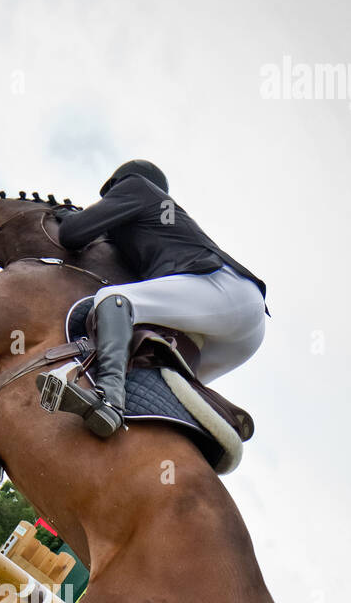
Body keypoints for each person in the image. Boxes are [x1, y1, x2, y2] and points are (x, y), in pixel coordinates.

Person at [45, 159, 268, 438]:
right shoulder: (154, 225)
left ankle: (109, 401)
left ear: (119, 183)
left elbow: (71, 234)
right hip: (243, 331)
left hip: (225, 291)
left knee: (113, 298)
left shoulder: (136, 187)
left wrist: (69, 217)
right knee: (162, 380)